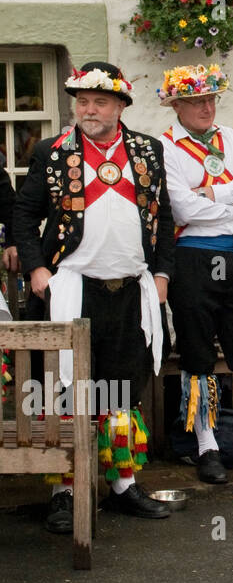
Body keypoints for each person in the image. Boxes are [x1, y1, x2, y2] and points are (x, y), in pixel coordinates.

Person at [14, 61, 175, 532]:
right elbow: (25, 218)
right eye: (82, 101)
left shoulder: (148, 150)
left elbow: (163, 218)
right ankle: (64, 492)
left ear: (120, 106)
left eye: (99, 101)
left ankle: (122, 483)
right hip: (72, 291)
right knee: (64, 393)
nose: (88, 109)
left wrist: (163, 273)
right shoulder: (52, 151)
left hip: (130, 293)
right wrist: (38, 270)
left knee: (122, 391)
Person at [159, 63, 233, 485]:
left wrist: (211, 193)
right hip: (191, 257)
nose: (206, 107)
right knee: (197, 355)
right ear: (177, 105)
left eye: (210, 99)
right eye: (196, 101)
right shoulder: (167, 147)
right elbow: (183, 210)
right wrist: (232, 198)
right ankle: (207, 447)